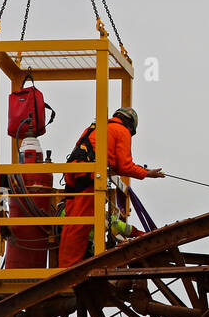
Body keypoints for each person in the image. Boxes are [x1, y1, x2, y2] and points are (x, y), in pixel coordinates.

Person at [58, 107, 164, 267]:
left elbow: (110, 160)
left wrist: (142, 170)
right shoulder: (122, 131)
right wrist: (147, 174)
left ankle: (65, 266)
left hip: (74, 174)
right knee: (81, 224)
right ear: (131, 125)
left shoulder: (98, 127)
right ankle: (70, 268)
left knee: (72, 223)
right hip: (89, 176)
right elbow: (125, 166)